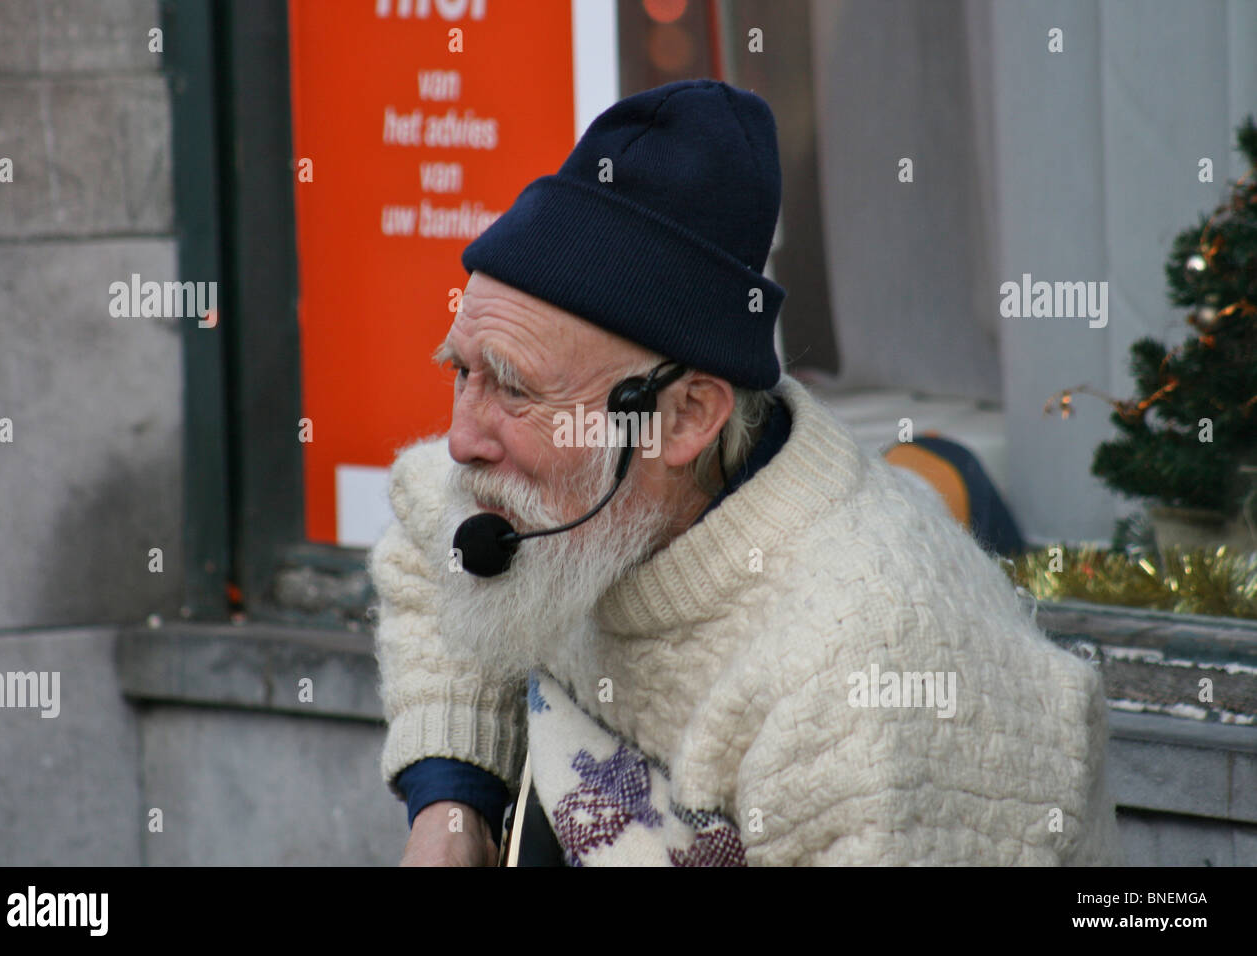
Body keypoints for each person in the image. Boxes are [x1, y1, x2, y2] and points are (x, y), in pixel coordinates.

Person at [367, 79, 1122, 866]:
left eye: (515, 387)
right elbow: (430, 545)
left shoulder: (858, 675)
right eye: (463, 373)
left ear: (687, 416)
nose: (460, 440)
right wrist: (452, 803)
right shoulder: (545, 491)